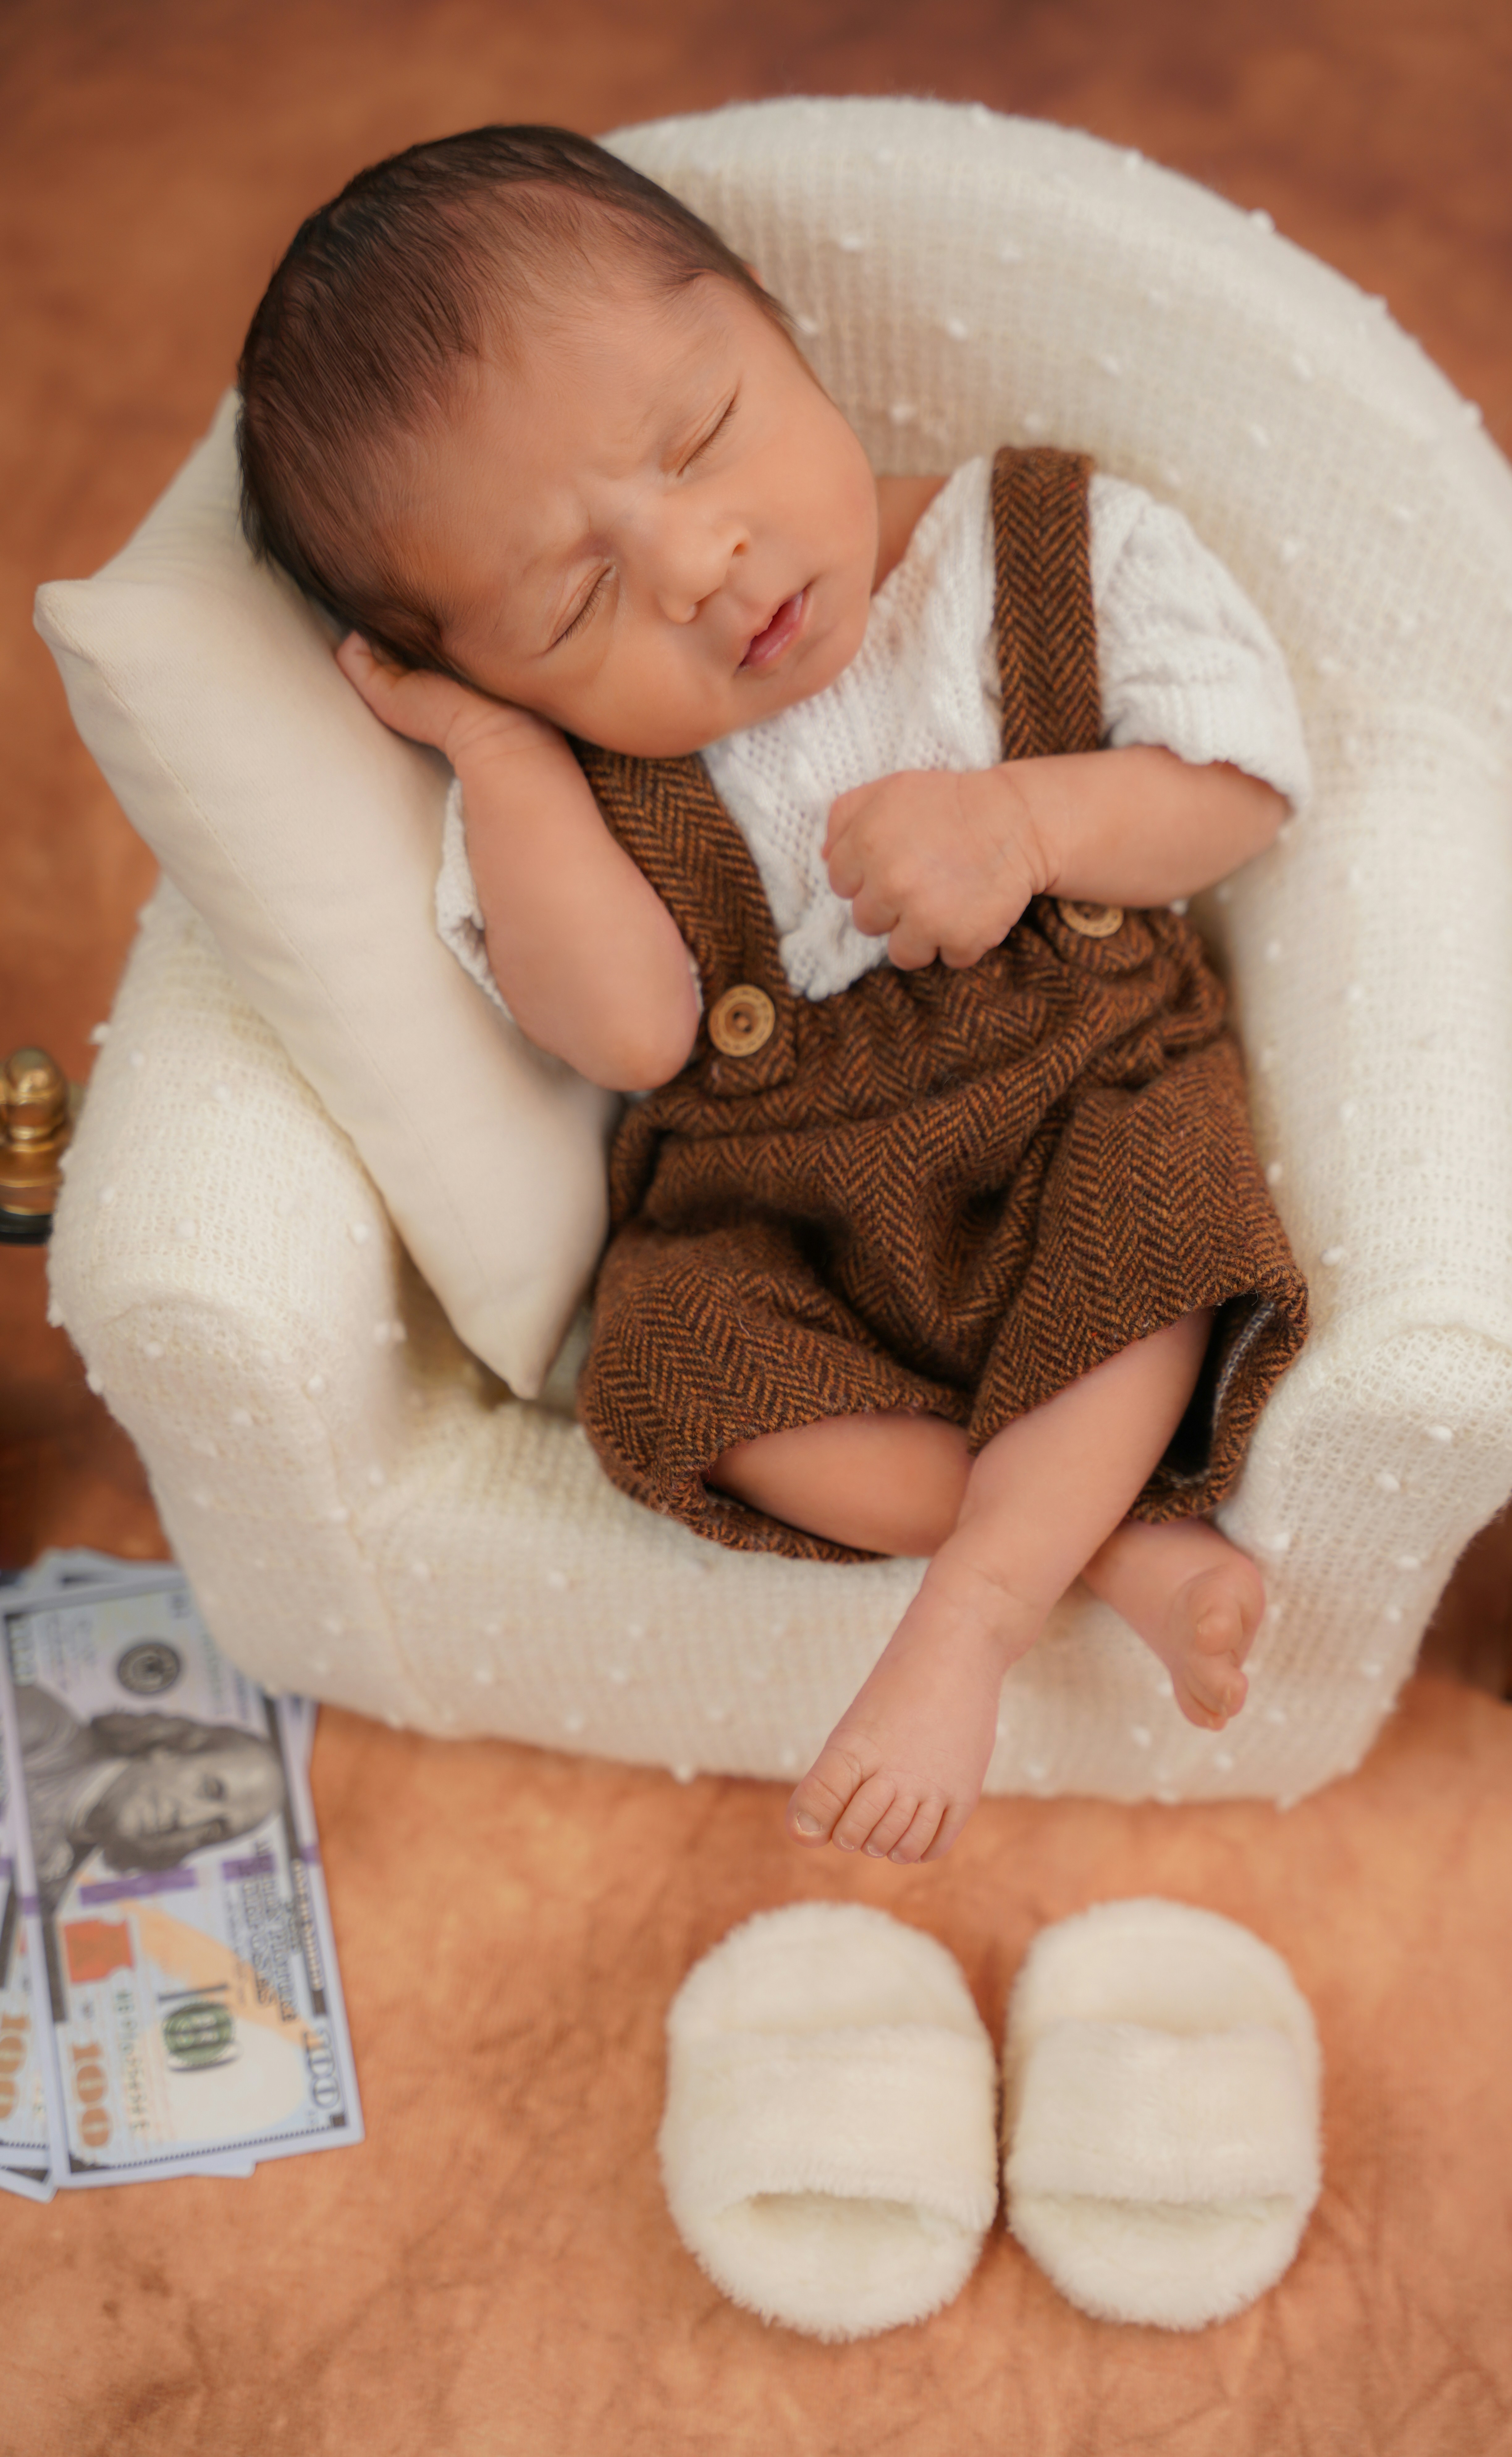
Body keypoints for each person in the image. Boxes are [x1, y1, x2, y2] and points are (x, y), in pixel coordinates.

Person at [236, 125, 1310, 1867]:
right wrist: (503, 758)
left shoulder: (1032, 541)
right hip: (782, 1185)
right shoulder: (565, 787)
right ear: (477, 668)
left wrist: (1029, 820)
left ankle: (968, 1615)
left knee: (1152, 1229)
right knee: (673, 1365)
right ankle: (1107, 1541)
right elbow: (634, 1036)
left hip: (1071, 1083)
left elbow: (1244, 780)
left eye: (701, 437)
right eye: (573, 603)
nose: (694, 563)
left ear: (781, 327)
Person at [15, 1684, 286, 1919]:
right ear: (167, 1750)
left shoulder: (49, 1895)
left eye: (214, 1830)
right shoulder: (43, 1726)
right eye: (209, 1790)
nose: (189, 1820)